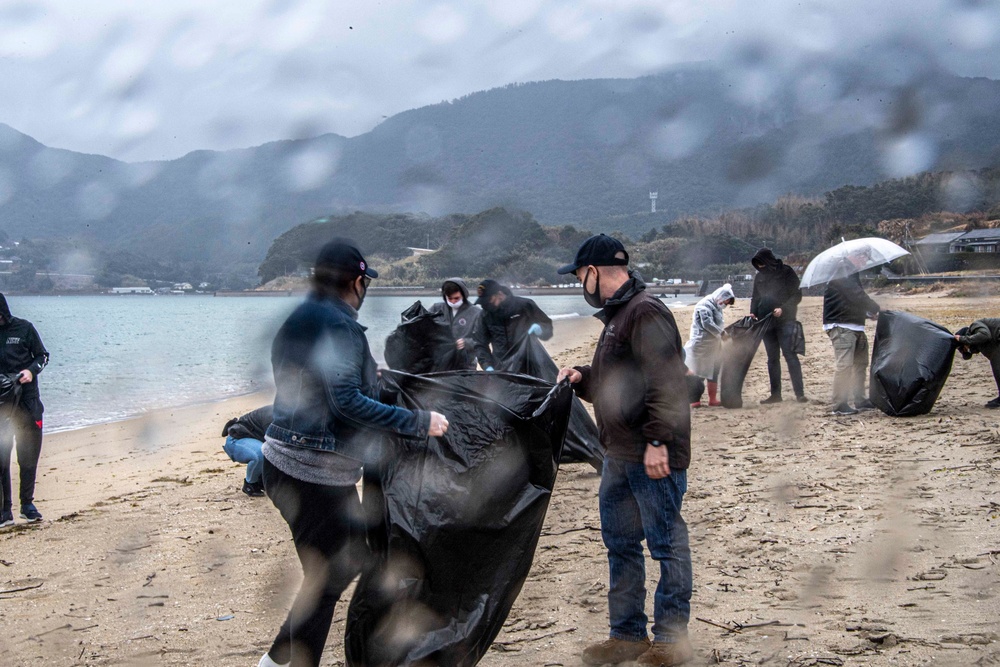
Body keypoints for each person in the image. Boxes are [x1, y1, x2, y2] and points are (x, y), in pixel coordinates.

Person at [258, 239, 449, 667]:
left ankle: (277, 662)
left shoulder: (301, 318)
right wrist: (420, 422)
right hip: (311, 471)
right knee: (328, 577)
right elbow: (344, 401)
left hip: (293, 464)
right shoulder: (338, 323)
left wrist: (370, 377)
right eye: (366, 283)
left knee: (338, 568)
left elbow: (319, 388)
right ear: (357, 281)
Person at [555, 234, 693, 667]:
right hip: (616, 454)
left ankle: (671, 642)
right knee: (621, 546)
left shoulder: (645, 311)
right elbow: (614, 386)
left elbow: (668, 383)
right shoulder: (618, 316)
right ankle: (628, 636)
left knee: (667, 545)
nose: (580, 283)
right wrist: (581, 377)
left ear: (594, 272)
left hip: (650, 454)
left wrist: (657, 441)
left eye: (579, 275)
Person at [0, 295, 49, 528]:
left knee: (27, 455)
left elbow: (43, 356)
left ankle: (27, 505)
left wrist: (30, 371)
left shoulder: (24, 328)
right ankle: (4, 510)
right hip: (3, 405)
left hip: (28, 402)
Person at [823, 250, 880, 416]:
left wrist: (867, 314)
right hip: (841, 325)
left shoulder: (851, 272)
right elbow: (856, 295)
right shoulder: (843, 270)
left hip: (854, 325)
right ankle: (839, 403)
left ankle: (860, 399)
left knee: (860, 364)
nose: (865, 261)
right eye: (864, 257)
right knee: (845, 365)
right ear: (855, 256)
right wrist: (874, 307)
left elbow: (851, 300)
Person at [750, 248, 807, 404]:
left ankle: (799, 394)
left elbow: (797, 294)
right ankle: (776, 395)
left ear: (769, 261)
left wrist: (783, 308)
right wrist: (753, 312)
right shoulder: (759, 277)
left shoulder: (786, 272)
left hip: (786, 320)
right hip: (766, 322)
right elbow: (755, 297)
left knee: (790, 355)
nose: (761, 267)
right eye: (758, 265)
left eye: (762, 264)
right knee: (772, 359)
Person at [472, 279, 553, 371]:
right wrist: (487, 365)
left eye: (489, 300)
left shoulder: (525, 305)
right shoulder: (484, 315)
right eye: (483, 302)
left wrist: (540, 329)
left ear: (500, 294)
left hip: (529, 363)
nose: (485, 304)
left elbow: (547, 327)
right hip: (501, 366)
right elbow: (479, 343)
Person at [684, 284, 735, 408]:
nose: (725, 304)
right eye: (725, 301)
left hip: (713, 344)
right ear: (721, 297)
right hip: (701, 344)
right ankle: (694, 400)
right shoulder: (704, 305)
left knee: (714, 371)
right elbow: (706, 323)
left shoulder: (716, 305)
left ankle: (712, 399)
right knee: (698, 372)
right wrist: (721, 333)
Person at [427, 278, 482, 370]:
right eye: (450, 298)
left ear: (464, 295)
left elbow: (483, 339)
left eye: (456, 298)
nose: (453, 301)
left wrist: (467, 343)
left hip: (465, 365)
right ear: (445, 296)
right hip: (439, 363)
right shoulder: (436, 309)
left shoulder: (476, 313)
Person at [220, 405, 273, 497]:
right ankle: (250, 485)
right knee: (263, 452)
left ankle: (261, 480)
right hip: (236, 441)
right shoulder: (273, 416)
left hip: (253, 441)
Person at [954, 318, 1000, 408]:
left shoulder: (974, 326)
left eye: (965, 348)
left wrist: (963, 339)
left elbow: (985, 335)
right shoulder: (984, 345)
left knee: (998, 368)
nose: (969, 350)